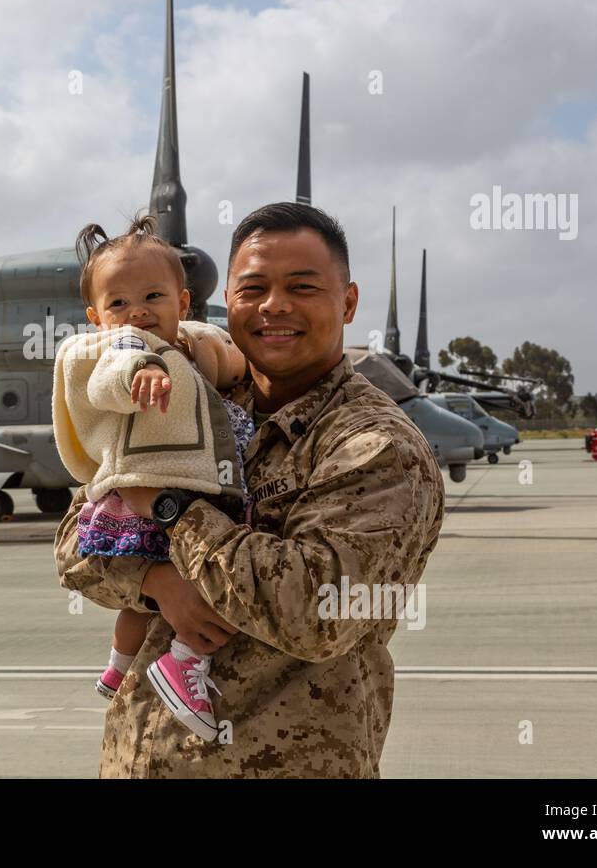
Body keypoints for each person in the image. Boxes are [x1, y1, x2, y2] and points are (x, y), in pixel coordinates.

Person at [54, 202, 445, 777]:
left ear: (349, 302)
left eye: (302, 287)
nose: (274, 306)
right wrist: (157, 583)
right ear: (226, 304)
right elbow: (75, 543)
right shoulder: (189, 399)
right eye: (253, 288)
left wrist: (170, 509)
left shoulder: (376, 446)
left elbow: (315, 611)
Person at [52, 214, 252, 740]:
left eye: (153, 297)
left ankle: (118, 668)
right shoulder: (125, 349)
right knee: (196, 589)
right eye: (118, 304)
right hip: (165, 497)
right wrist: (142, 374)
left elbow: (227, 360)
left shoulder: (192, 346)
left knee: (159, 595)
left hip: (177, 492)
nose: (136, 311)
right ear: (97, 318)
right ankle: (181, 662)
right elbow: (111, 377)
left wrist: (238, 366)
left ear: (183, 305)